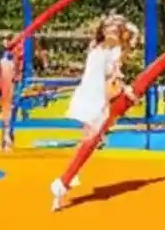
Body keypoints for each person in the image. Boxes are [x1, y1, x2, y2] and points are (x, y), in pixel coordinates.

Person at [50, 16, 135, 210]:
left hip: (93, 95)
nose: (111, 33)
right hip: (93, 95)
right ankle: (64, 181)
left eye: (115, 31)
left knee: (91, 137)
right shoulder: (102, 48)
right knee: (91, 136)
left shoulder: (107, 49)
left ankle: (67, 179)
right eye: (109, 30)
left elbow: (112, 75)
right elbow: (109, 76)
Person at [0, 39, 19, 153]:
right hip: (7, 90)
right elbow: (2, 77)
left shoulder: (11, 60)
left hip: (10, 89)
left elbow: (15, 76)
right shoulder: (6, 61)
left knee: (8, 114)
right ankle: (5, 140)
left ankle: (6, 139)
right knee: (7, 115)